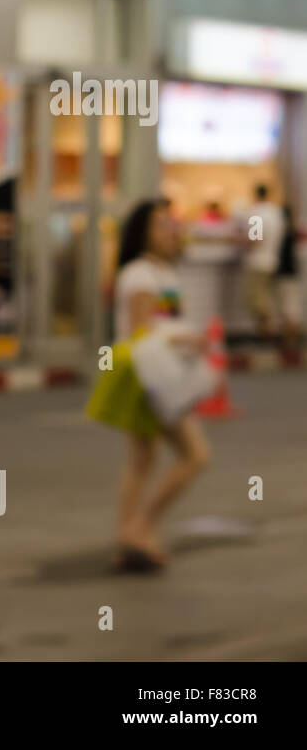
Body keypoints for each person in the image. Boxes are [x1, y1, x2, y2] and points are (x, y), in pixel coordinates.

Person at [86, 199, 210, 571]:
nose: (169, 230)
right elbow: (142, 330)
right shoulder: (140, 274)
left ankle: (129, 539)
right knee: (194, 456)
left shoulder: (163, 272)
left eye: (170, 223)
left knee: (142, 461)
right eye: (159, 224)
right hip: (147, 374)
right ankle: (139, 528)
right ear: (140, 232)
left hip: (158, 372)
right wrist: (185, 340)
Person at [242, 183, 286, 341]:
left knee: (258, 302)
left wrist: (240, 241)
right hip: (273, 260)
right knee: (266, 299)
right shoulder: (276, 212)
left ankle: (265, 335)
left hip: (258, 262)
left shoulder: (256, 212)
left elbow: (255, 240)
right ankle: (268, 333)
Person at [275, 203, 301, 353]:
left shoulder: (285, 235)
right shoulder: (291, 233)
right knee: (289, 310)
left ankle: (291, 343)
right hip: (290, 276)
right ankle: (290, 341)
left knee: (289, 310)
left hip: (287, 276)